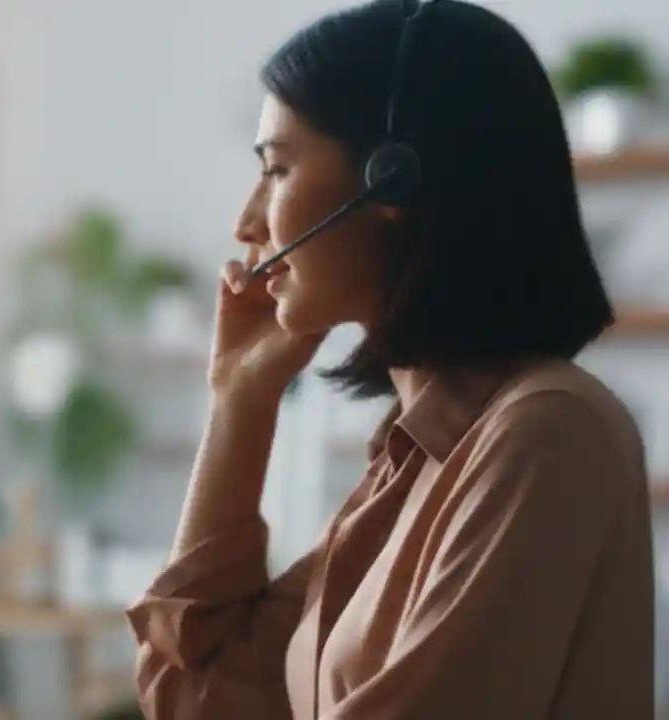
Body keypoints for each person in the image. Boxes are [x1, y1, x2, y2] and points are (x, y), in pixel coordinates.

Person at [126, 1, 653, 718]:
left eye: (277, 170)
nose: (246, 223)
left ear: (393, 179)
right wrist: (238, 401)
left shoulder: (545, 433)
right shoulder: (412, 458)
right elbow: (198, 700)